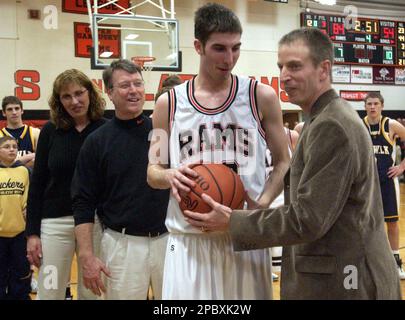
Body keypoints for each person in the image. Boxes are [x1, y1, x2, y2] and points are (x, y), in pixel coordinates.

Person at [183, 27, 402, 299]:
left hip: (348, 280)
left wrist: (234, 222)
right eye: (281, 66)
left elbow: (308, 219)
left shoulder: (331, 125)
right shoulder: (324, 117)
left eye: (295, 66)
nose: (284, 76)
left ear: (324, 69)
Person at [147, 3, 290, 299]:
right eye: (219, 48)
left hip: (242, 240)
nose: (230, 58)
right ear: (198, 46)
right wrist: (170, 175)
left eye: (236, 48)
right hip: (188, 242)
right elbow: (152, 171)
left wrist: (259, 207)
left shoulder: (260, 96)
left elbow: (283, 162)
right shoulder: (168, 104)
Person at [72, 59, 169, 300]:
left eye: (138, 83)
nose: (134, 90)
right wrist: (86, 256)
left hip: (169, 241)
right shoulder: (97, 141)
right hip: (122, 244)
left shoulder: (162, 133)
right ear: (110, 92)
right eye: (125, 85)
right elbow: (83, 202)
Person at [25, 69, 106, 300]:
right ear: (58, 101)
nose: (74, 101)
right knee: (49, 291)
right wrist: (32, 233)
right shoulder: (50, 131)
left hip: (95, 224)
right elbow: (37, 183)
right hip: (54, 226)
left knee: (94, 293)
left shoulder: (106, 130)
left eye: (79, 93)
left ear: (90, 93)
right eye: (66, 96)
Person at [363, 92, 405, 279]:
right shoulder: (359, 125)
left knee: (392, 222)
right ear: (365, 106)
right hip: (366, 184)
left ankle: (396, 262)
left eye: (376, 104)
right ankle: (369, 260)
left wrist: (402, 166)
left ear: (381, 106)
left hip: (387, 180)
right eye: (369, 104)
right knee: (365, 222)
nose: (372, 107)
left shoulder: (391, 125)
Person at [0, 136, 31, 300]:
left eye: (14, 146)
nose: (12, 149)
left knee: (21, 273)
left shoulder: (24, 171)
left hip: (20, 234)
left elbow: (29, 198)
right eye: (6, 147)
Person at [266, 127, 299, 276]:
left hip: (282, 205)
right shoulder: (246, 133)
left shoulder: (291, 135)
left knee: (283, 273)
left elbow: (298, 169)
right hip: (256, 207)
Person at [1, 96, 40, 168]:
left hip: (30, 178)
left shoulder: (35, 133)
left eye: (17, 108)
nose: (14, 112)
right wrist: (29, 157)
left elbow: (41, 159)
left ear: (22, 110)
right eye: (10, 109)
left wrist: (13, 164)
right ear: (4, 113)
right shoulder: (0, 135)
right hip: (6, 178)